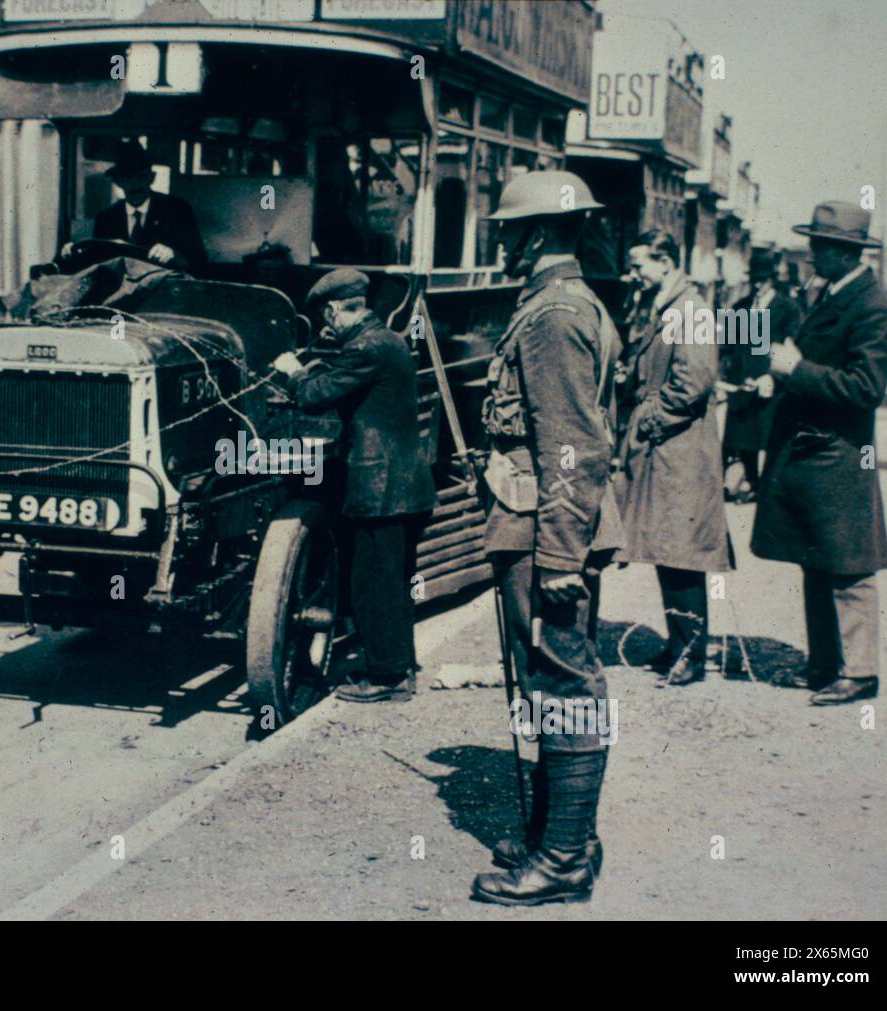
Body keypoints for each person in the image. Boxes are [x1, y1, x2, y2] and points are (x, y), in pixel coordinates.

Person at [467, 171, 622, 907]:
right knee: (550, 676)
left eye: (507, 228)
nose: (500, 239)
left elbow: (572, 446)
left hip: (545, 527)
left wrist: (560, 556)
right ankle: (559, 836)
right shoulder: (557, 303)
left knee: (564, 680)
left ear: (533, 235)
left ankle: (562, 858)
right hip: (534, 517)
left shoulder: (555, 313)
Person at [752, 201, 887, 705]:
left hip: (840, 457)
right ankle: (823, 664)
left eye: (819, 244)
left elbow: (867, 387)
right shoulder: (834, 292)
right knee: (815, 561)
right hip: (815, 455)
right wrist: (779, 380)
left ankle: (859, 672)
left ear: (843, 250)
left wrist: (797, 371)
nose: (811, 253)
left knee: (849, 566)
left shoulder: (871, 304)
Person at [271, 269, 436, 703]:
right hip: (403, 486)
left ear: (333, 309)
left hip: (383, 490)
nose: (326, 328)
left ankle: (387, 679)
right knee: (393, 583)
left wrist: (292, 372)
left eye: (326, 319)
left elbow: (314, 395)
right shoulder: (382, 341)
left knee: (373, 585)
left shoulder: (367, 347)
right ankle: (397, 667)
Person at [615, 230, 732, 687]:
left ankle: (691, 655)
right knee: (667, 548)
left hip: (681, 450)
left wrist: (650, 419)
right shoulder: (665, 304)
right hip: (667, 449)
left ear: (664, 261)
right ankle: (679, 644)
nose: (633, 273)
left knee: (682, 552)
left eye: (640, 263)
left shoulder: (692, 309)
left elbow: (694, 381)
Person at [721, 248, 803, 500]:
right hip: (741, 380)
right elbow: (728, 345)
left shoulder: (787, 309)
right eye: (754, 279)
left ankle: (767, 485)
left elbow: (792, 348)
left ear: (772, 280)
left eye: (763, 280)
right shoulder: (740, 307)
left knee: (767, 435)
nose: (758, 285)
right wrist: (726, 375)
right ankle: (750, 481)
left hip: (769, 381)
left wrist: (772, 377)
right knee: (742, 435)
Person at [62, 140, 205, 271]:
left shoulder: (177, 210)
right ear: (118, 182)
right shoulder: (106, 218)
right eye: (127, 178)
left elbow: (198, 260)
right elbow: (98, 263)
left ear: (152, 178)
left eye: (141, 177)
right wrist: (73, 253)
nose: (135, 185)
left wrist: (174, 254)